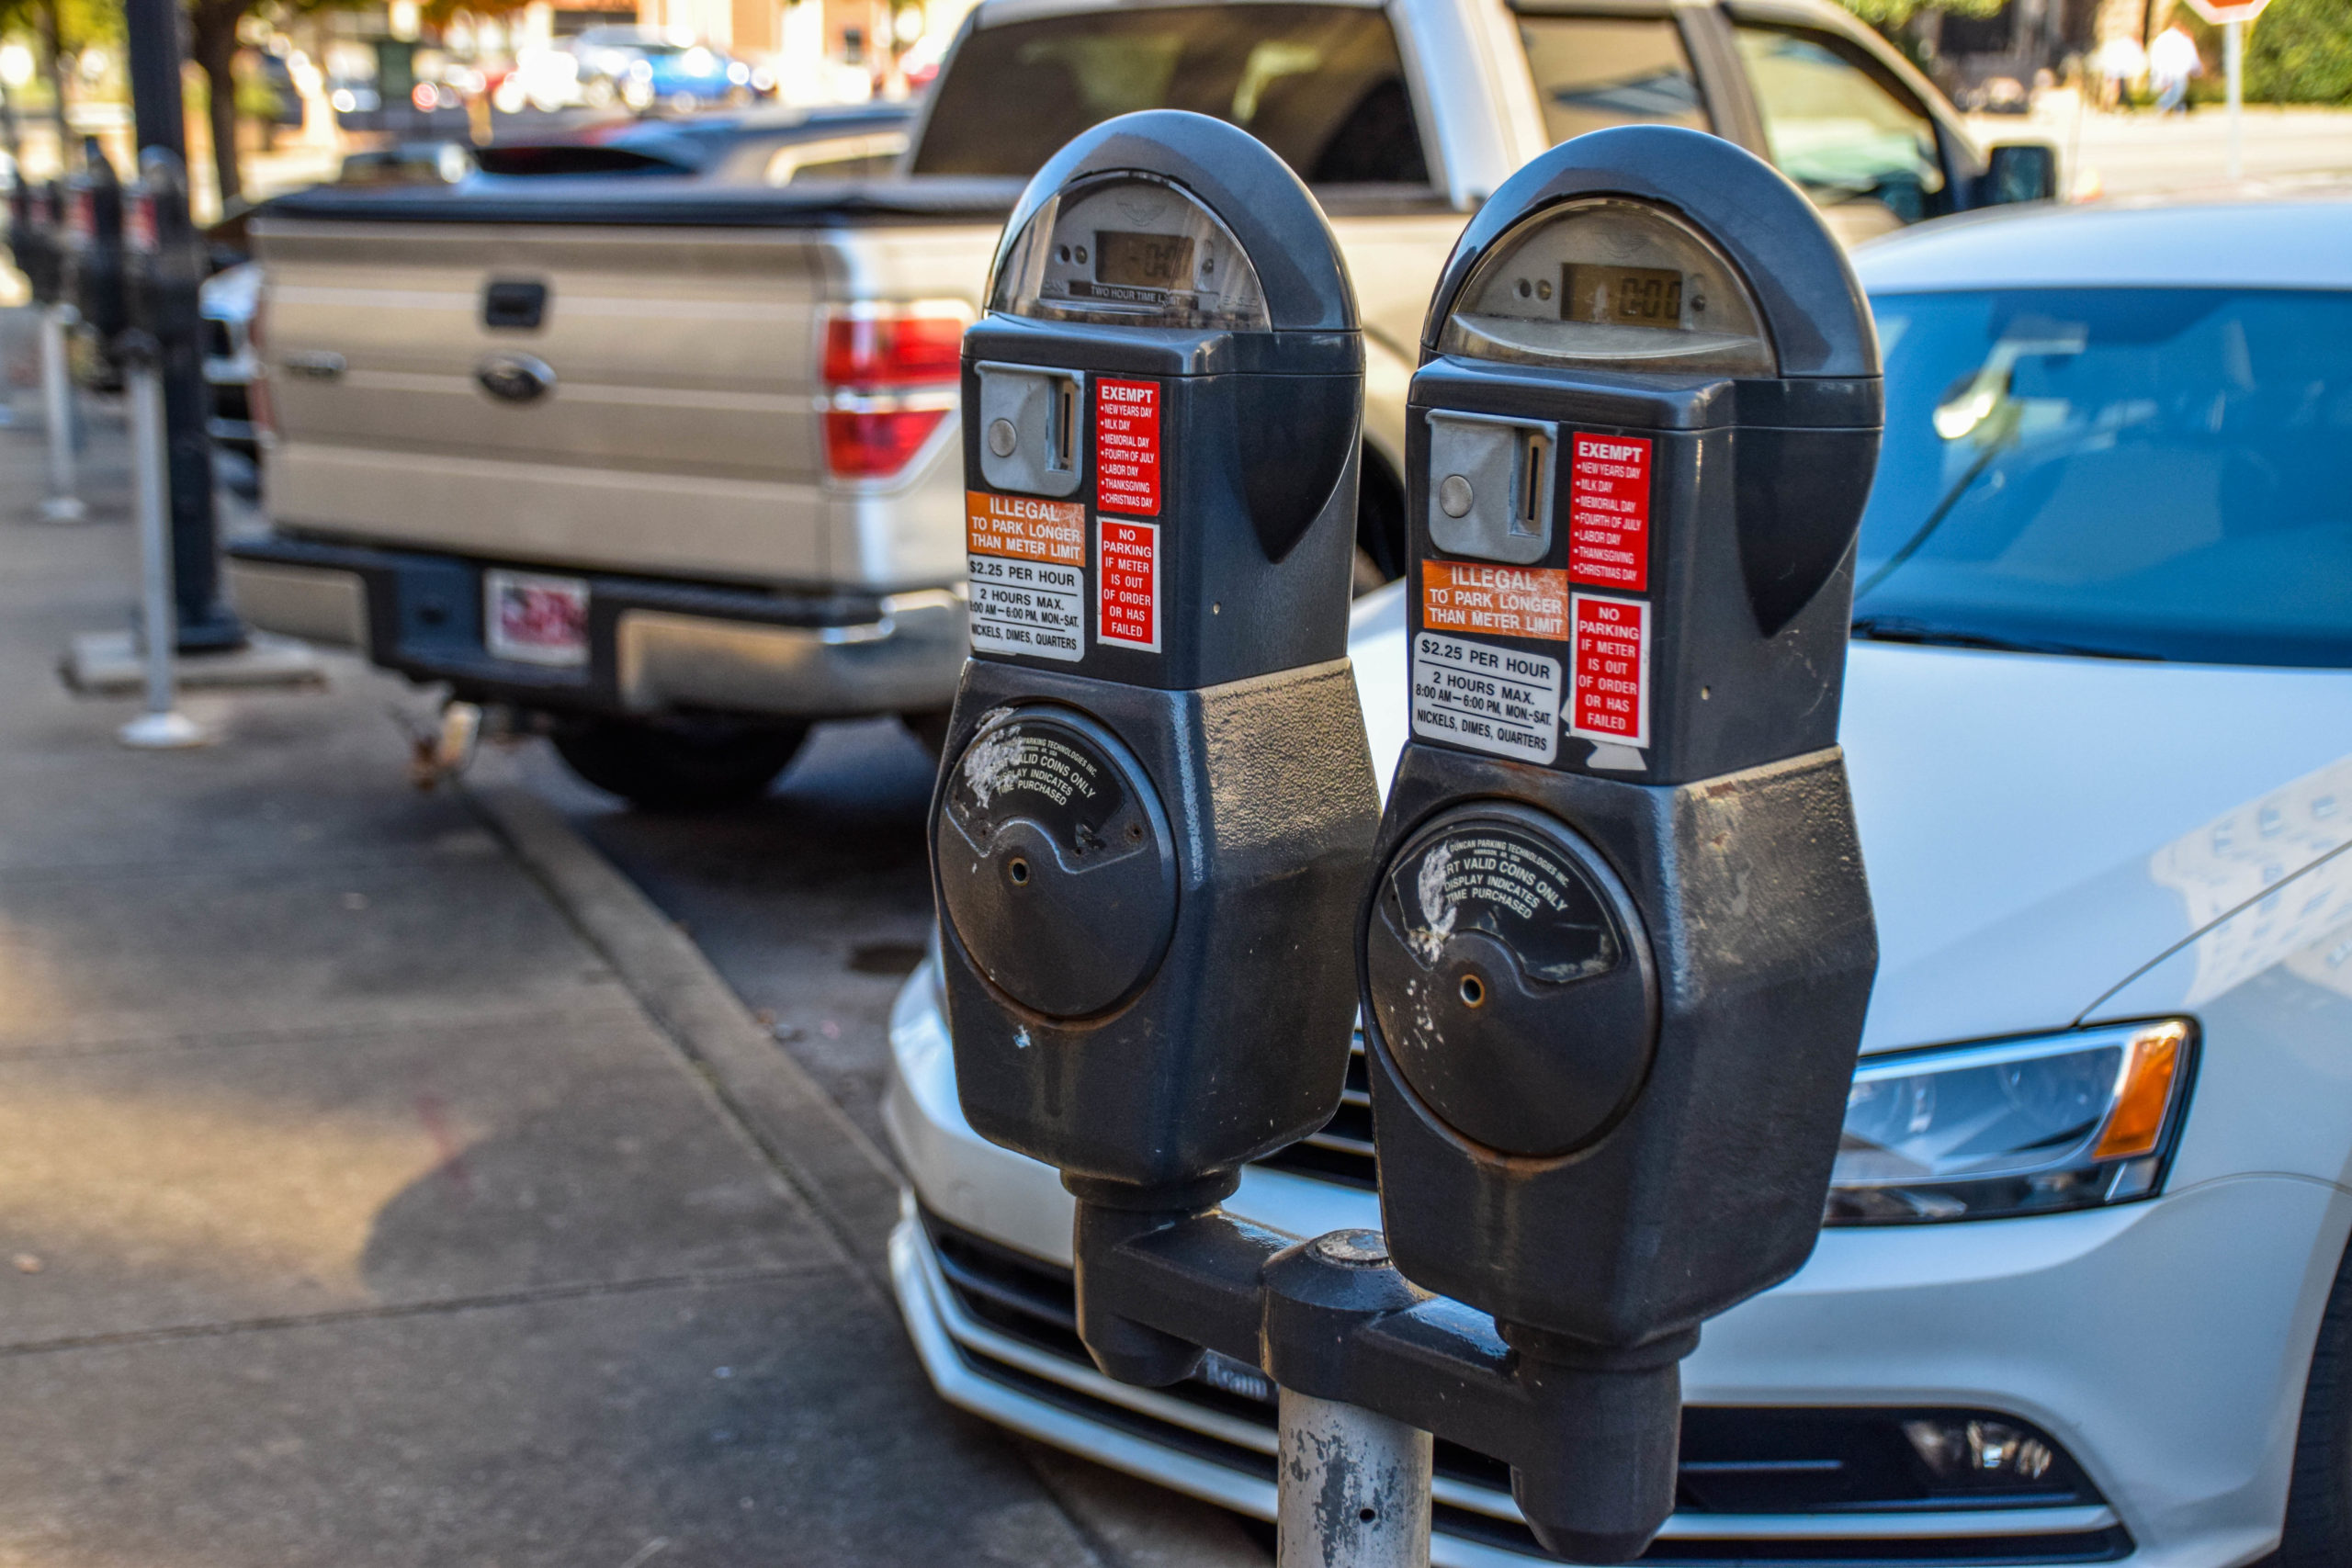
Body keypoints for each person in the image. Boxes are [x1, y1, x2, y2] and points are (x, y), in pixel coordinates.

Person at [2149, 23, 2201, 114]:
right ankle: (2164, 105)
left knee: (2174, 91)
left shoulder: (2161, 38)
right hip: (2179, 71)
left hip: (2165, 70)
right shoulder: (2184, 40)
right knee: (2177, 91)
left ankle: (2175, 108)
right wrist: (2196, 69)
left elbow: (2155, 56)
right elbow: (2191, 56)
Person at [2094, 33, 2146, 108]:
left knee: (2113, 88)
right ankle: (2107, 105)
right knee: (2114, 89)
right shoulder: (2126, 45)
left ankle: (2108, 105)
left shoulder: (2120, 44)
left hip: (2113, 69)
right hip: (2114, 69)